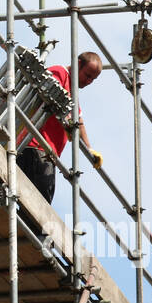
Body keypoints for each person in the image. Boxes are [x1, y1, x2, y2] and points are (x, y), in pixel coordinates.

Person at [17, 52, 104, 203]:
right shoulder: (59, 73)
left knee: (36, 204)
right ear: (77, 64)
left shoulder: (72, 90)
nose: (89, 81)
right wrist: (68, 122)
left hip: (45, 151)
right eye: (87, 75)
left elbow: (78, 119)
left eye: (93, 79)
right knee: (39, 206)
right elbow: (52, 96)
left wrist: (89, 149)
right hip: (36, 146)